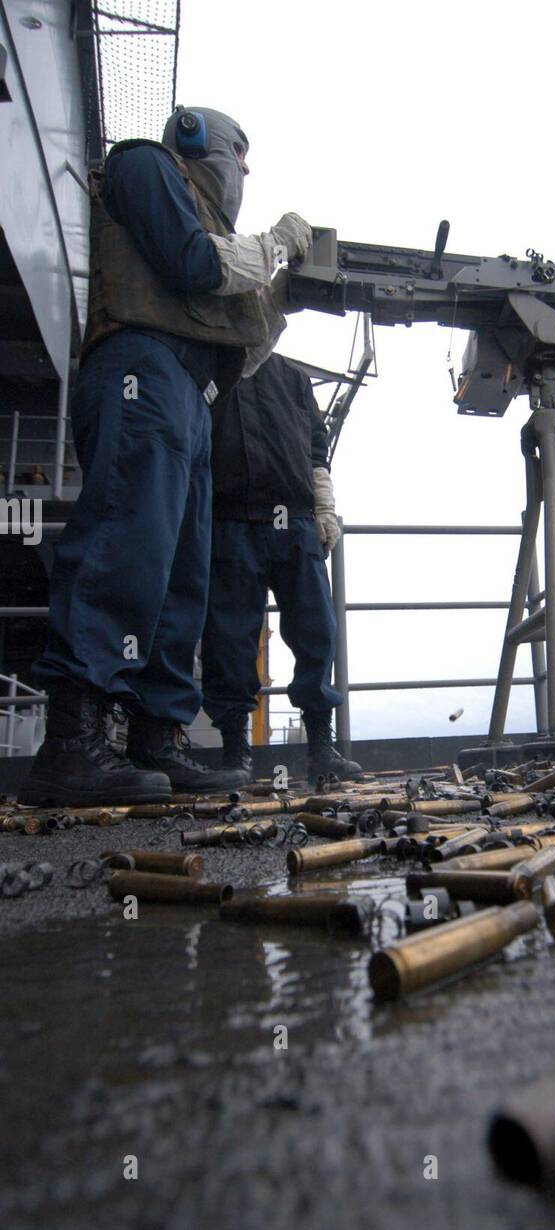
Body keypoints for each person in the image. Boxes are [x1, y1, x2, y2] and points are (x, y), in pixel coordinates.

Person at [20, 106, 312, 806]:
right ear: (201, 139)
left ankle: (157, 735)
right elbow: (188, 262)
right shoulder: (147, 165)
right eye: (239, 154)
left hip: (191, 395)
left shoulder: (219, 240)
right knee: (129, 540)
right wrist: (275, 247)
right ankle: (71, 742)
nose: (245, 170)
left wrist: (280, 296)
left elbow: (240, 352)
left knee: (184, 571)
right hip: (139, 372)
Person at [201, 351, 362, 784]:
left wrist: (324, 505)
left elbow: (315, 446)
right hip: (229, 520)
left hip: (294, 520)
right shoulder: (212, 364)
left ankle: (320, 750)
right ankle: (236, 753)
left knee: (317, 634)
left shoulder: (293, 377)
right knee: (229, 640)